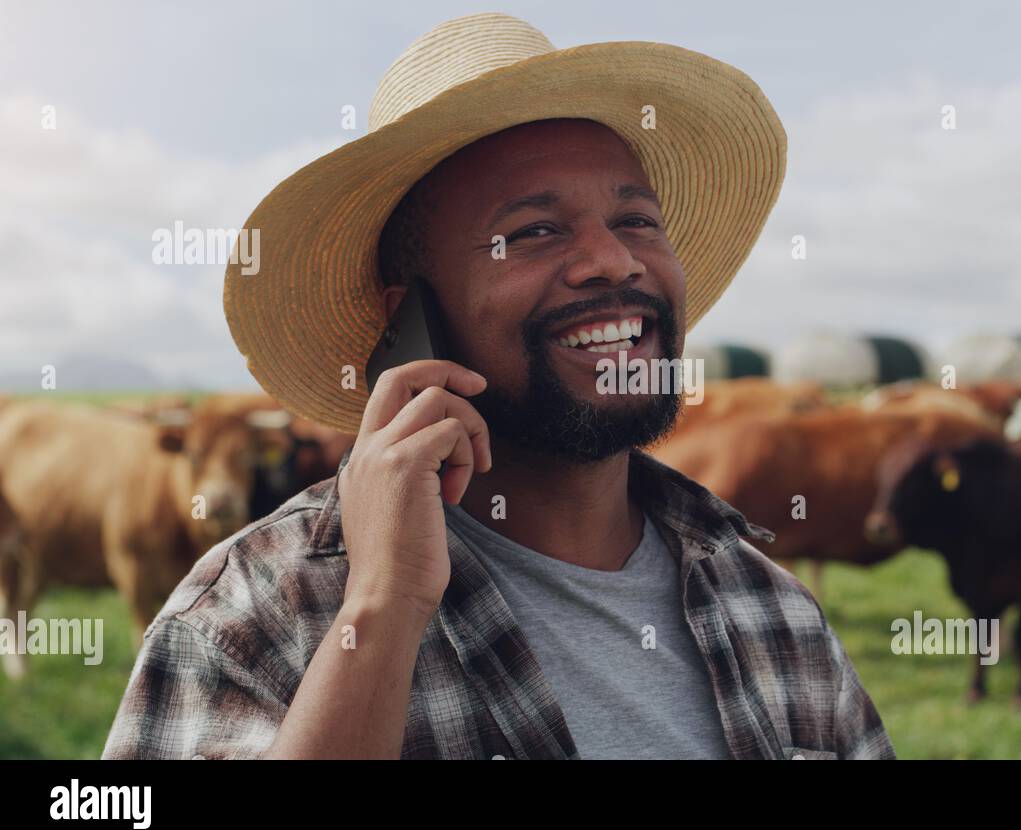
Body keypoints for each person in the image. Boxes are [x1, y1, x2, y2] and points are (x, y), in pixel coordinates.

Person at [103, 12, 893, 760]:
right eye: (534, 231)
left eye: (638, 221)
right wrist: (382, 608)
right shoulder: (255, 618)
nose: (614, 260)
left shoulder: (773, 609)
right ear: (412, 318)